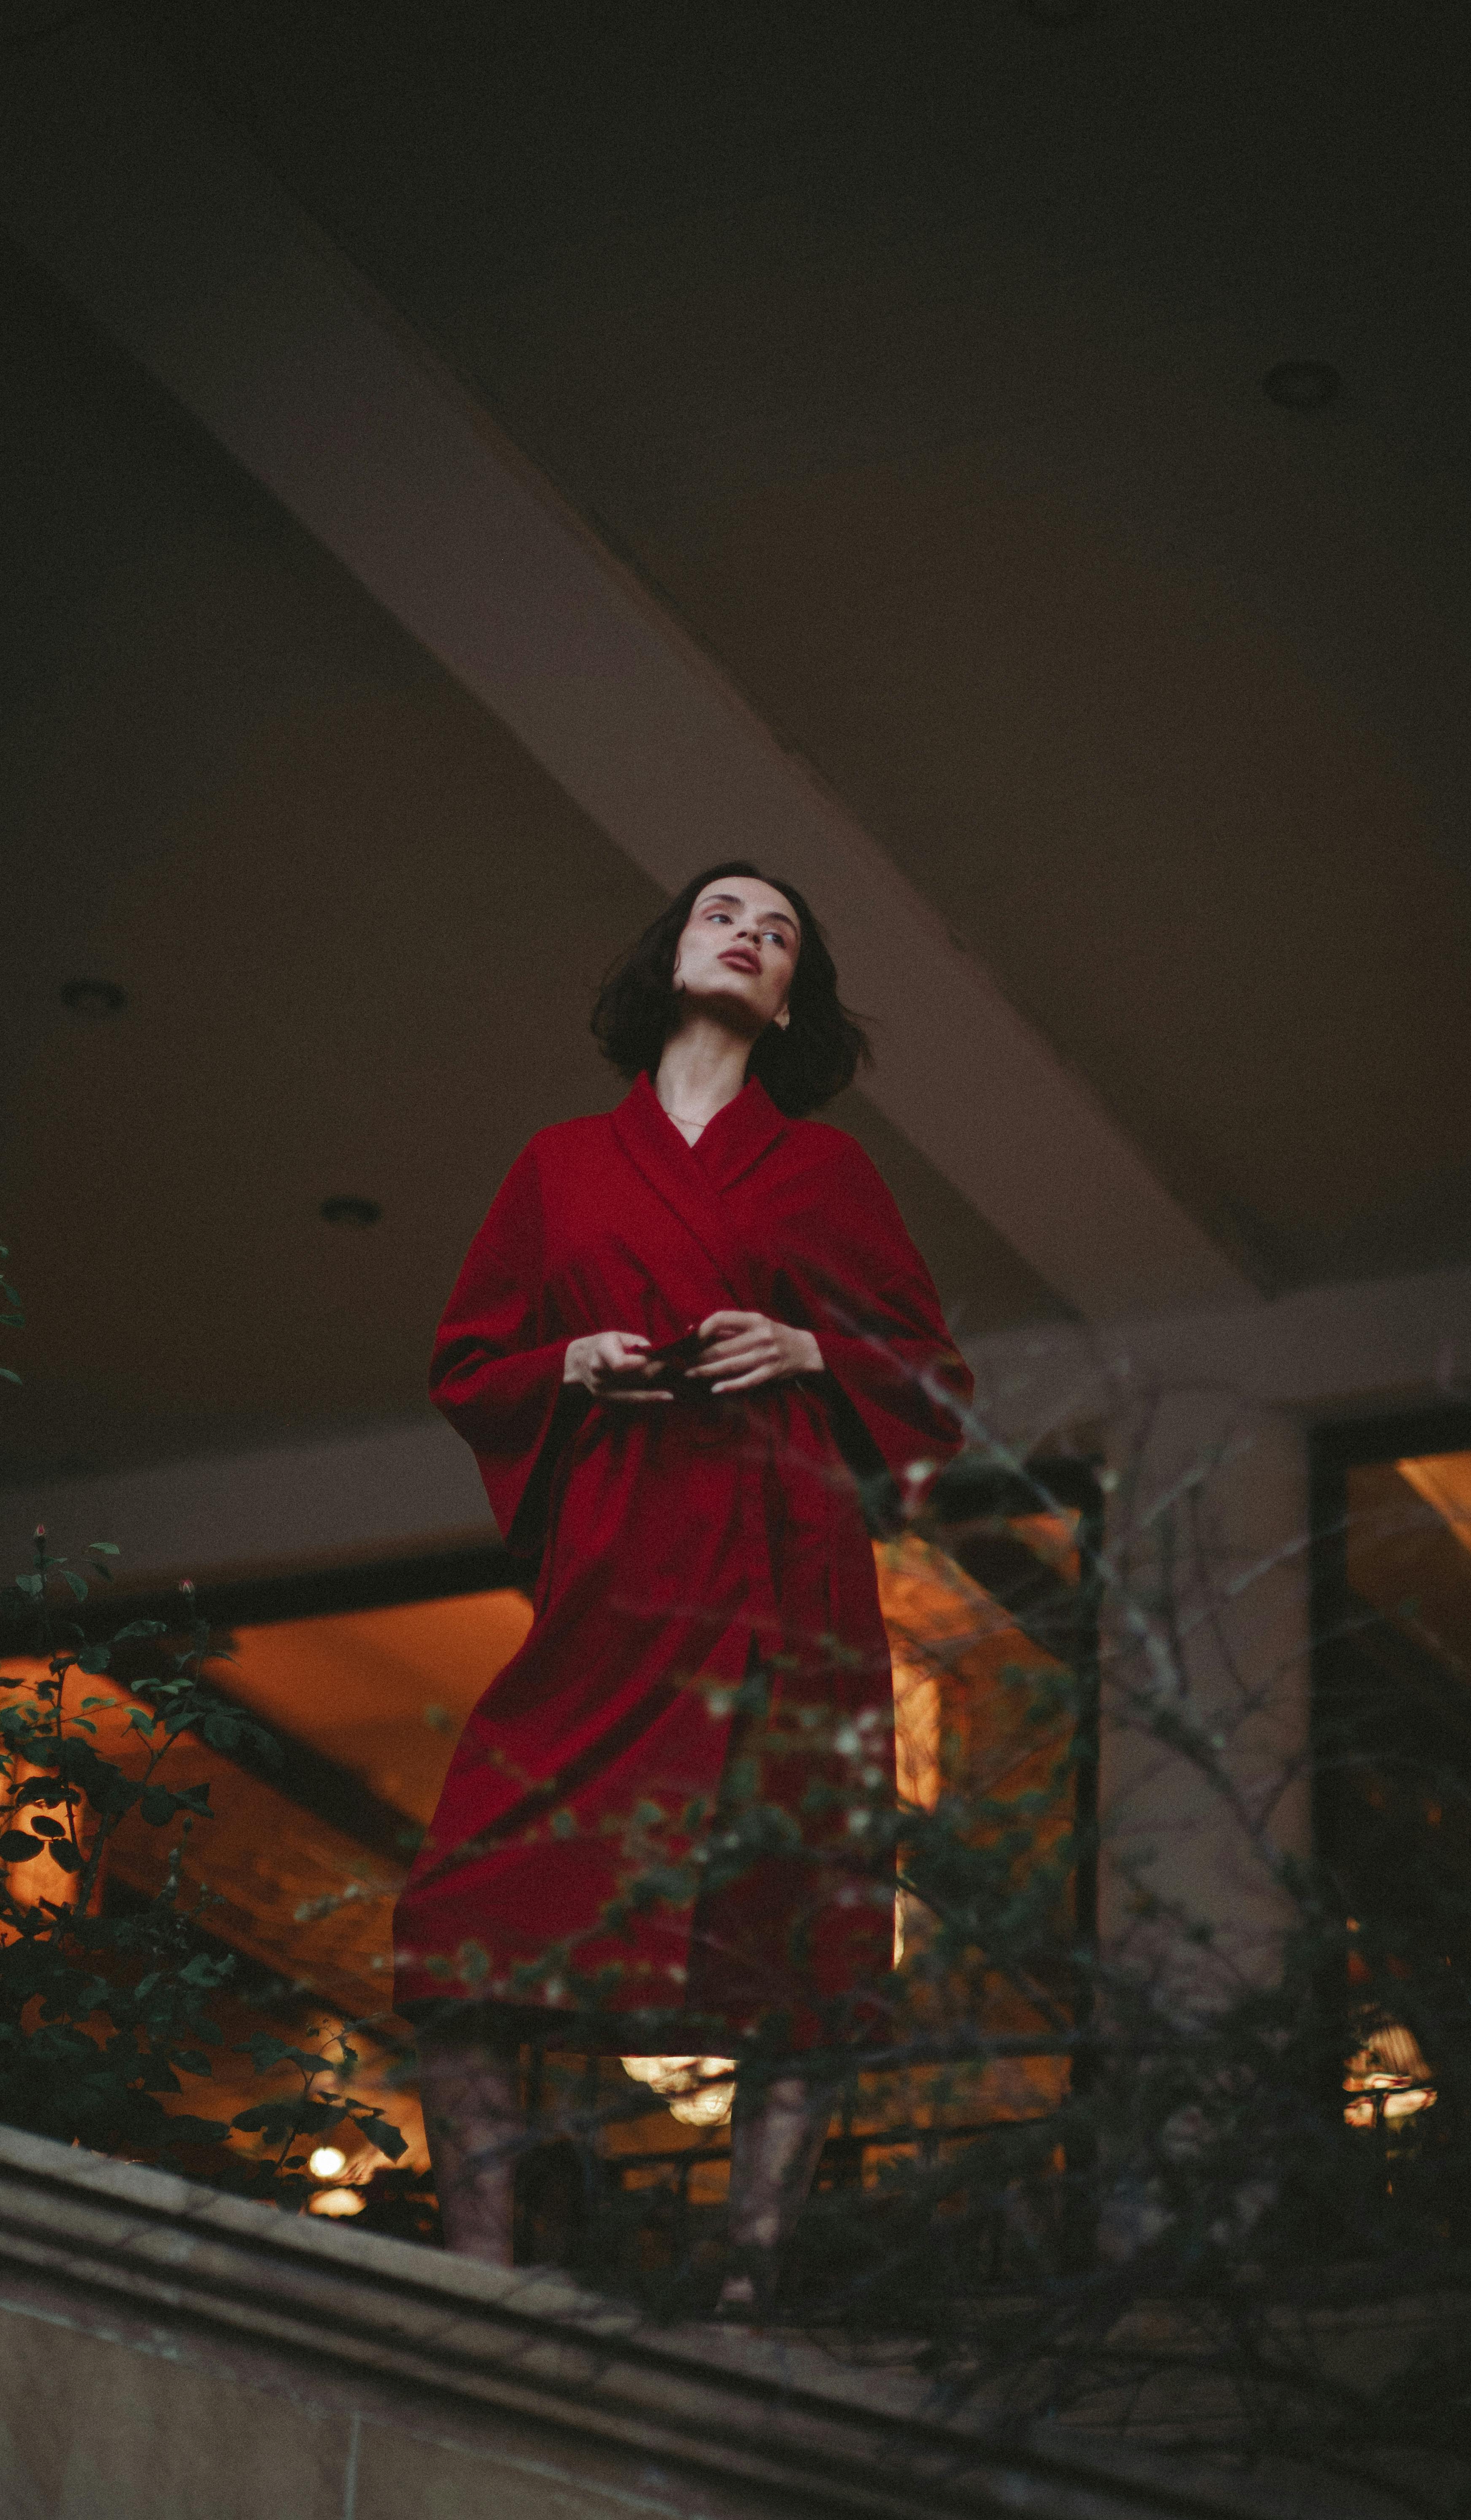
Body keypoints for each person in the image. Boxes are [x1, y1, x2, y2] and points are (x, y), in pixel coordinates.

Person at [392, 861, 972, 2310]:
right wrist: (569, 1362)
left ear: (790, 1004)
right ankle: (482, 2277)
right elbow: (469, 1365)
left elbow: (937, 1381)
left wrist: (812, 1351)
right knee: (462, 1910)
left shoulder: (829, 1174)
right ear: (672, 958)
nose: (754, 938)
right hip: (618, 1575)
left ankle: (747, 2277)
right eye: (729, 915)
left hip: (791, 1578)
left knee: (808, 1923)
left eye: (781, 938)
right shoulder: (558, 1167)